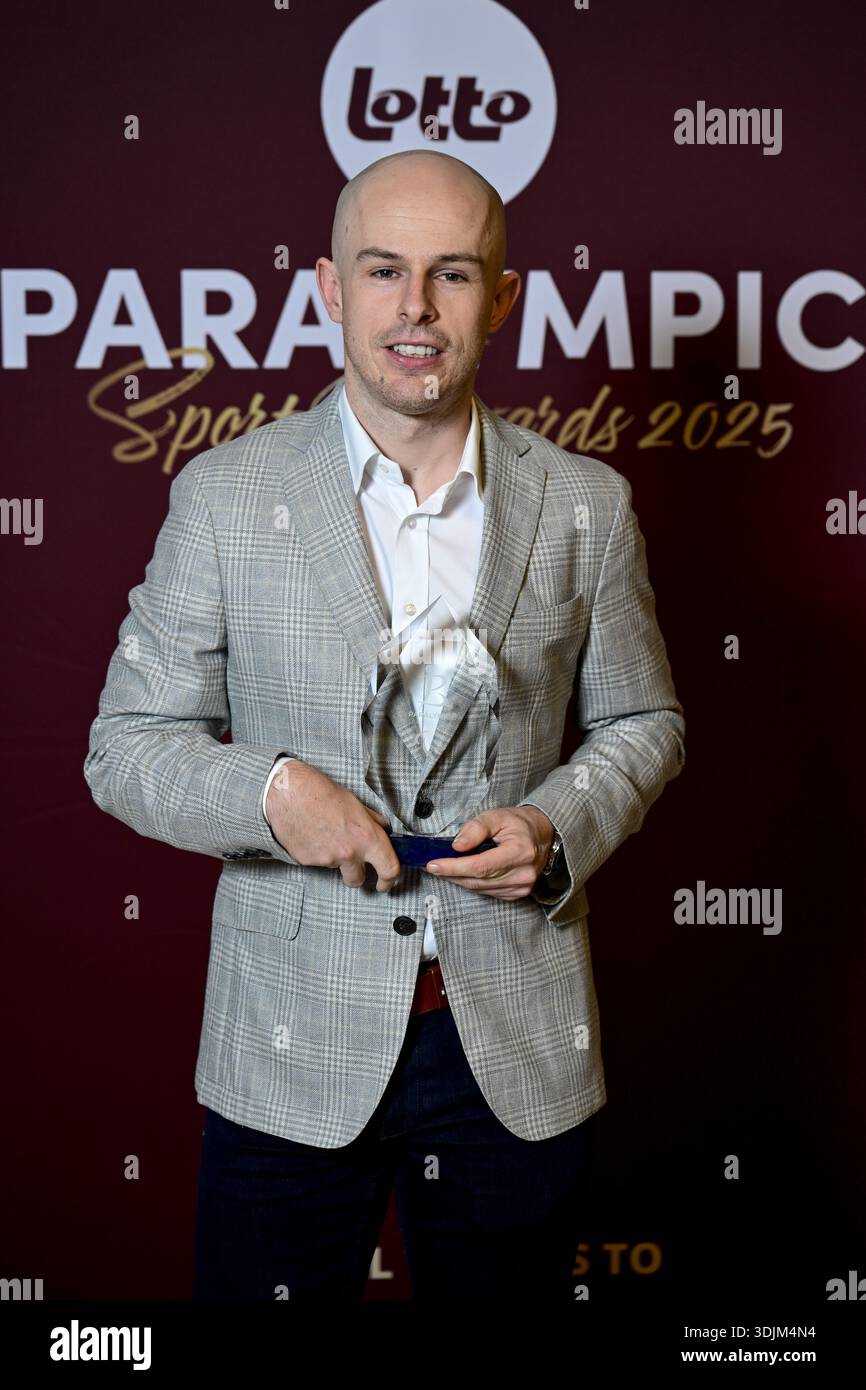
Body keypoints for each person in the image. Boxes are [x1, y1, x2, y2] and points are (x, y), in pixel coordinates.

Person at [83, 149, 685, 1301]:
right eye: (382, 271)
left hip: (508, 1036)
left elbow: (642, 718)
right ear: (326, 287)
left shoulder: (583, 505)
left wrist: (557, 826)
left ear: (500, 300)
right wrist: (273, 794)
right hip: (287, 1043)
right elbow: (127, 744)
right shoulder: (222, 497)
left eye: (451, 275)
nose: (413, 309)